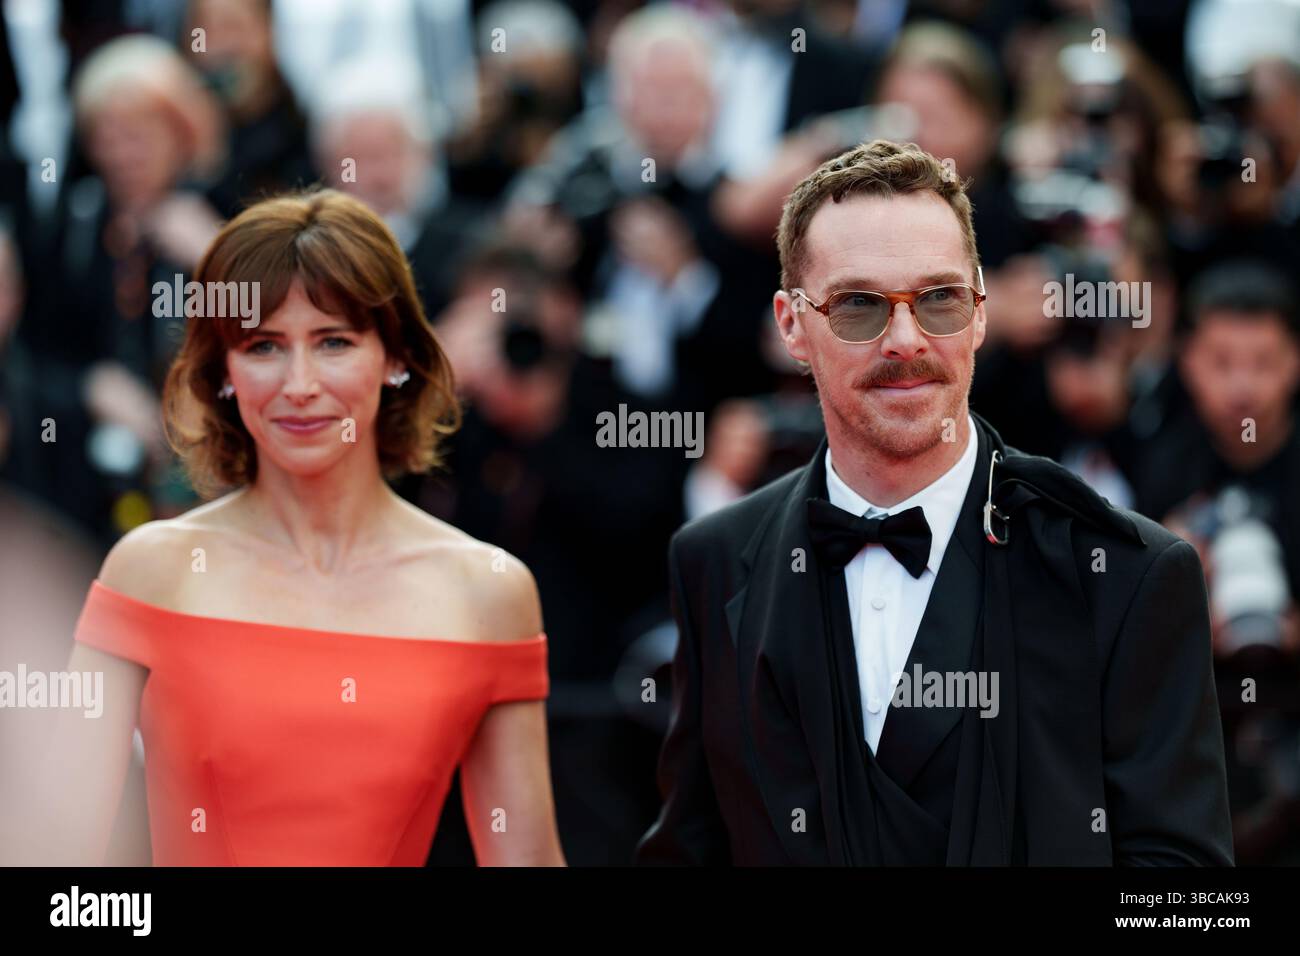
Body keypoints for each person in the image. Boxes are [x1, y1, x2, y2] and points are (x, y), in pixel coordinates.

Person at [635, 140, 1233, 865]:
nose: (906, 341)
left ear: (981, 314)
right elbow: (690, 850)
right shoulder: (715, 561)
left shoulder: (1126, 574)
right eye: (859, 306)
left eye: (940, 299)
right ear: (791, 325)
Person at [14, 188, 565, 866]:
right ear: (223, 371)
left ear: (395, 358)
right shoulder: (152, 570)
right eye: (265, 346)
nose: (299, 384)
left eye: (334, 341)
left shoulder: (487, 591)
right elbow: (53, 866)